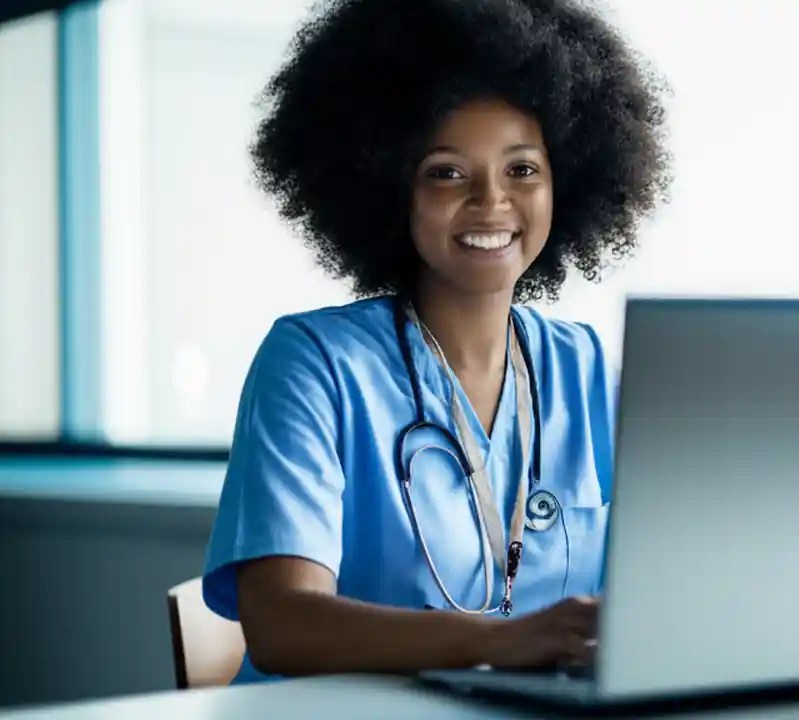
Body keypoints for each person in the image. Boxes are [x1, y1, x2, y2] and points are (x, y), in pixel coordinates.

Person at [202, 0, 669, 683]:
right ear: (391, 187)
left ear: (565, 182)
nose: (491, 201)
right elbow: (283, 624)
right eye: (447, 172)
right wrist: (510, 640)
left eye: (522, 170)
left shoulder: (589, 369)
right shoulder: (312, 364)